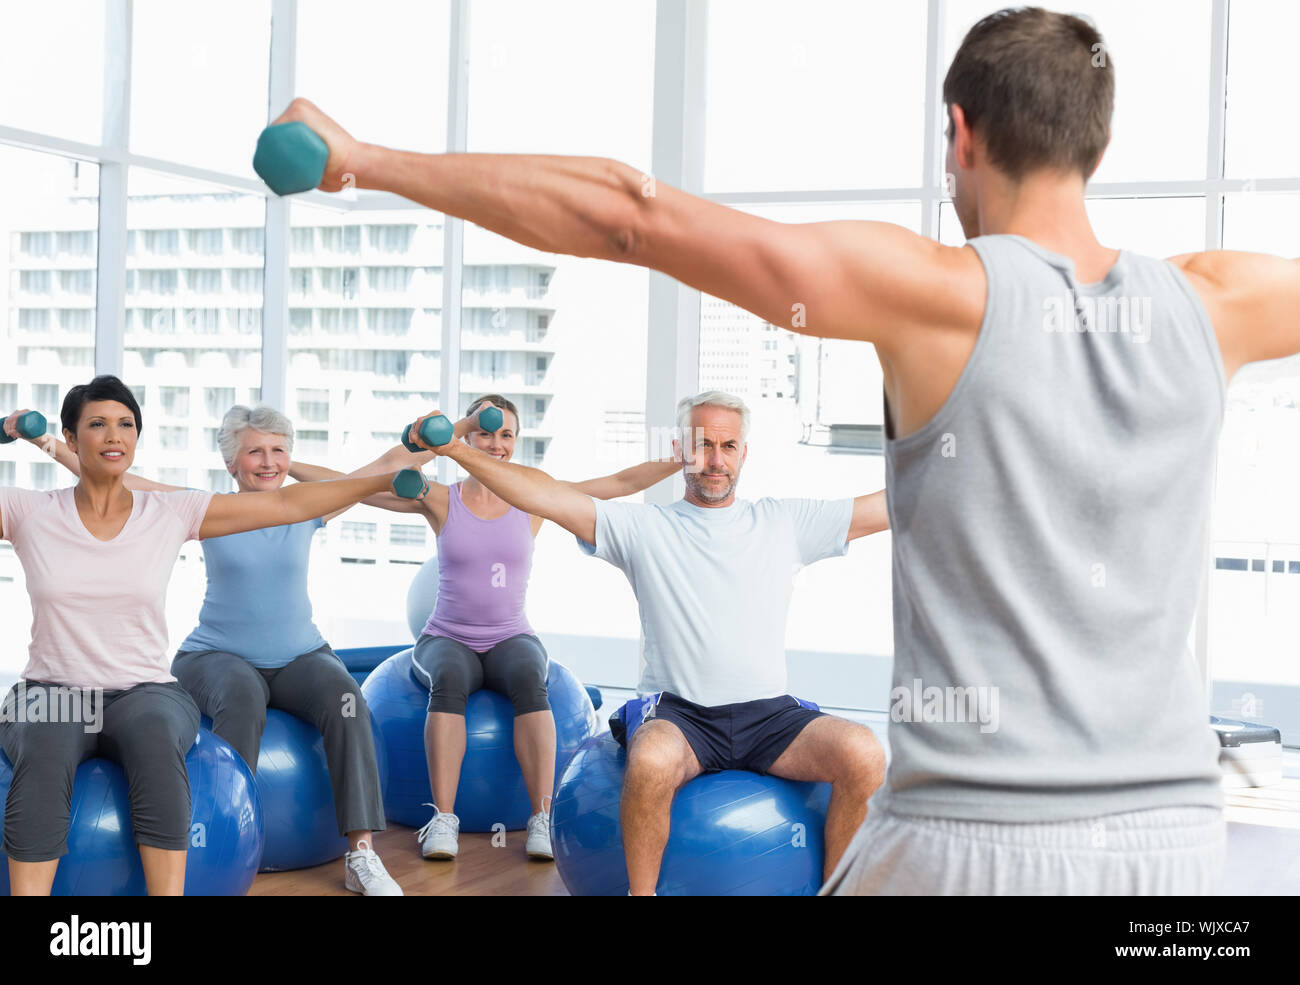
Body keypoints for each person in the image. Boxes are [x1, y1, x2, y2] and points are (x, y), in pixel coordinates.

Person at [265, 3, 1299, 892]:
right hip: (1175, 853)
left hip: (974, 843)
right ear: (1098, 147)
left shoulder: (934, 294)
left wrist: (365, 161)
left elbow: (630, 215)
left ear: (960, 132)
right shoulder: (1223, 303)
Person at [407, 390, 889, 894]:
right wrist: (458, 451)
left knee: (863, 752)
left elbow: (886, 506)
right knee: (653, 760)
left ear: (744, 453)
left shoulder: (784, 522)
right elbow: (542, 495)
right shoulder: (642, 526)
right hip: (679, 715)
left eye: (728, 446)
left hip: (768, 715)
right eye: (702, 445)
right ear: (682, 448)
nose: (715, 460)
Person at [0, 375, 416, 896]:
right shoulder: (28, 510)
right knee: (44, 750)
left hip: (143, 690)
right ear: (71, 434)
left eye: (126, 424)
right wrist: (16, 432)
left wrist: (378, 483)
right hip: (54, 691)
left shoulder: (170, 512)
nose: (113, 435)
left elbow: (290, 506)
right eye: (98, 424)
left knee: (156, 741)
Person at [291, 393, 680, 863]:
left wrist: (679, 459)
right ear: (465, 437)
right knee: (449, 681)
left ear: (516, 443)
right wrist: (285, 464)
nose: (495, 444)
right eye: (484, 433)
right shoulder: (437, 497)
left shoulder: (534, 499)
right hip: (445, 636)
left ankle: (542, 817)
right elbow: (349, 486)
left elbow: (618, 482)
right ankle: (444, 819)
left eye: (506, 435)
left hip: (510, 635)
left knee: (528, 680)